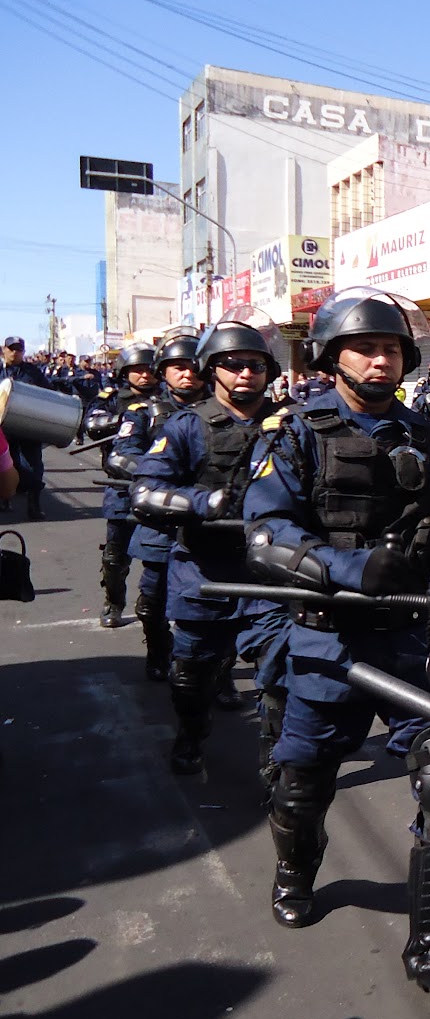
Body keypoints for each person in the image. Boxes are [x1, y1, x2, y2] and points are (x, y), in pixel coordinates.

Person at [242, 287, 430, 1019]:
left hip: (409, 642)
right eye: (365, 348)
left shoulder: (428, 433)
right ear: (331, 356)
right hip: (327, 637)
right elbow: (265, 535)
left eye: (393, 349)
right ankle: (295, 867)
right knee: (301, 783)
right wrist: (349, 571)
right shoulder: (296, 429)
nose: (381, 359)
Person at [131, 322, 282, 773]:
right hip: (205, 572)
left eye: (255, 365)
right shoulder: (187, 426)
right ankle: (191, 734)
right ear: (211, 371)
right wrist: (202, 501)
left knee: (280, 674)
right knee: (191, 672)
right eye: (232, 365)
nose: (245, 374)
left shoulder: (292, 423)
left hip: (272, 574)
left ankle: (282, 761)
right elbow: (145, 492)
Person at [110, 332, 207, 680]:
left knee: (217, 605)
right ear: (162, 372)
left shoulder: (221, 412)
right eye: (177, 367)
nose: (186, 375)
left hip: (209, 520)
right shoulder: (143, 412)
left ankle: (219, 675)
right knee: (153, 600)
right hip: (161, 519)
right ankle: (158, 651)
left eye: (193, 367)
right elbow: (121, 456)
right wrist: (160, 476)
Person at [83, 342, 162, 625]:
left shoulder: (169, 397)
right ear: (124, 372)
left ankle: (153, 602)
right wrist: (127, 421)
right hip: (121, 484)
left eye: (149, 369)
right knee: (116, 554)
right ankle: (113, 601)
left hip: (161, 485)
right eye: (137, 370)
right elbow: (92, 424)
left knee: (161, 553)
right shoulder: (113, 397)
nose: (144, 375)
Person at [0, 336, 52, 518]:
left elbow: (48, 392)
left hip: (29, 426)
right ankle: (6, 498)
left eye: (19, 349)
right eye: (11, 348)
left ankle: (34, 505)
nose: (15, 352)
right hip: (5, 428)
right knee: (7, 464)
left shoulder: (32, 371)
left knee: (33, 465)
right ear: (4, 350)